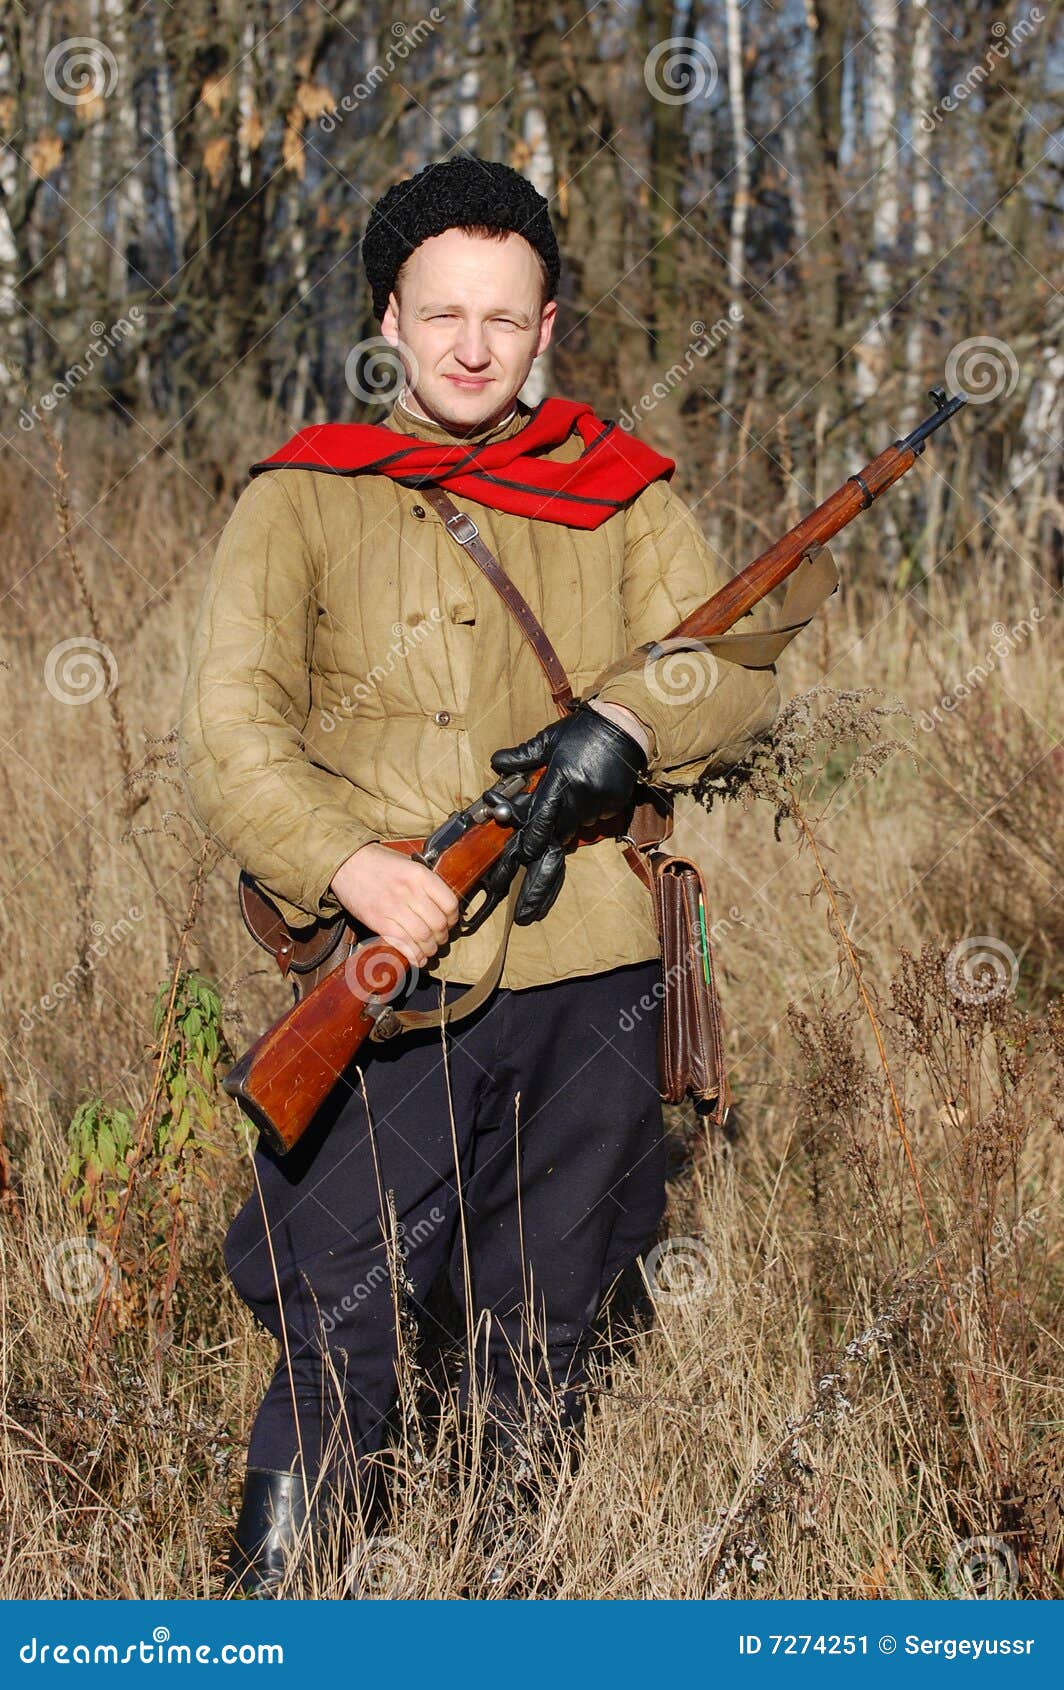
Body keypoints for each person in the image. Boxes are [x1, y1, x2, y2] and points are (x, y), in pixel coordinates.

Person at [178, 153, 784, 1596]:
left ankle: (499, 1587)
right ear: (388, 317)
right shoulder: (303, 497)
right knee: (333, 1289)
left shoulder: (621, 486)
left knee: (549, 1301)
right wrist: (349, 865)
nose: (468, 346)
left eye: (501, 320)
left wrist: (627, 723)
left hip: (597, 971)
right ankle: (270, 1599)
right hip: (395, 966)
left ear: (548, 326)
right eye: (439, 312)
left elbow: (737, 669)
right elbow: (229, 728)